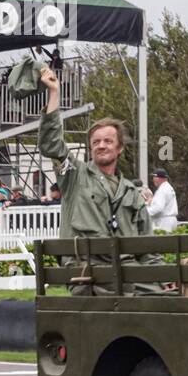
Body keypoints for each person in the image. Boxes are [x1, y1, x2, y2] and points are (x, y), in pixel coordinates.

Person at [38, 66, 161, 293]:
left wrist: (166, 278)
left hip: (126, 270)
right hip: (86, 269)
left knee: (173, 297)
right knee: (135, 294)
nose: (101, 145)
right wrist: (54, 93)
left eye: (107, 141)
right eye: (96, 142)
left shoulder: (131, 193)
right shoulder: (75, 175)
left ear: (120, 148)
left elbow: (147, 248)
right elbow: (51, 145)